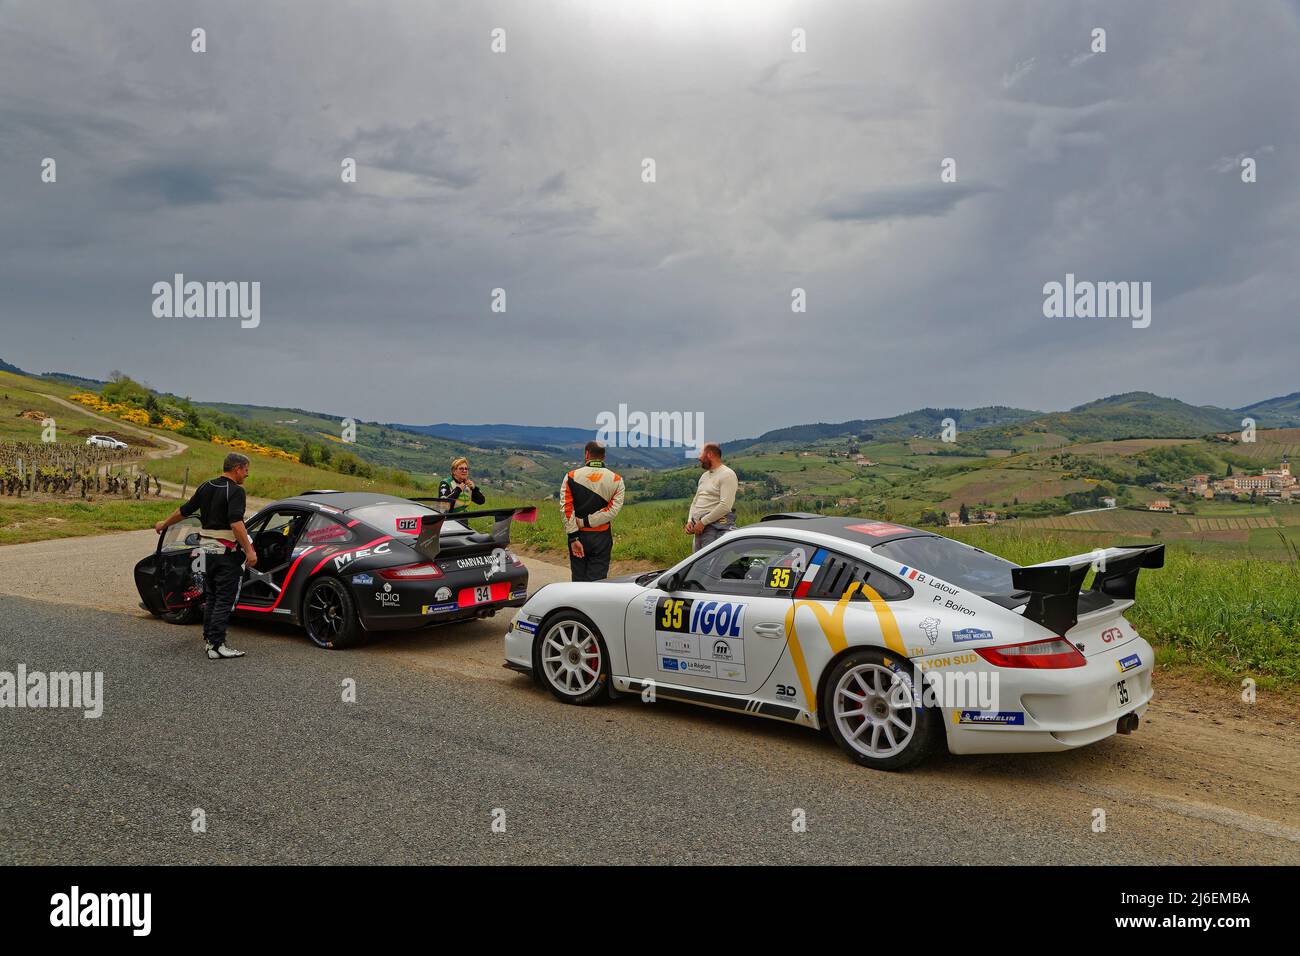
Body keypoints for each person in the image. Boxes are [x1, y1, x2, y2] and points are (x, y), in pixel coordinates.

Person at [153, 453, 257, 660]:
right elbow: (237, 524)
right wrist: (249, 550)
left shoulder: (206, 486)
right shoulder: (236, 491)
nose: (247, 474)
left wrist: (164, 524)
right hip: (226, 555)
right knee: (223, 600)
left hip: (204, 551)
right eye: (246, 470)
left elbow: (184, 511)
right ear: (237, 468)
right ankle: (218, 645)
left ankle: (210, 642)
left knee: (211, 596)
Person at [561, 441, 625, 581]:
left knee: (578, 580)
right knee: (598, 582)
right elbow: (611, 511)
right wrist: (586, 522)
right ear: (604, 457)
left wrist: (573, 537)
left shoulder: (571, 477)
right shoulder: (617, 480)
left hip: (578, 536)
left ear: (587, 454)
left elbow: (566, 509)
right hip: (602, 537)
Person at [685, 442, 737, 552]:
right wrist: (690, 521)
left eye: (700, 454)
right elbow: (695, 501)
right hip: (699, 529)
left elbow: (725, 506)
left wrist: (703, 522)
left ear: (709, 455)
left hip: (714, 528)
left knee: (708, 565)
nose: (699, 458)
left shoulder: (727, 474)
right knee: (698, 564)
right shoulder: (704, 476)